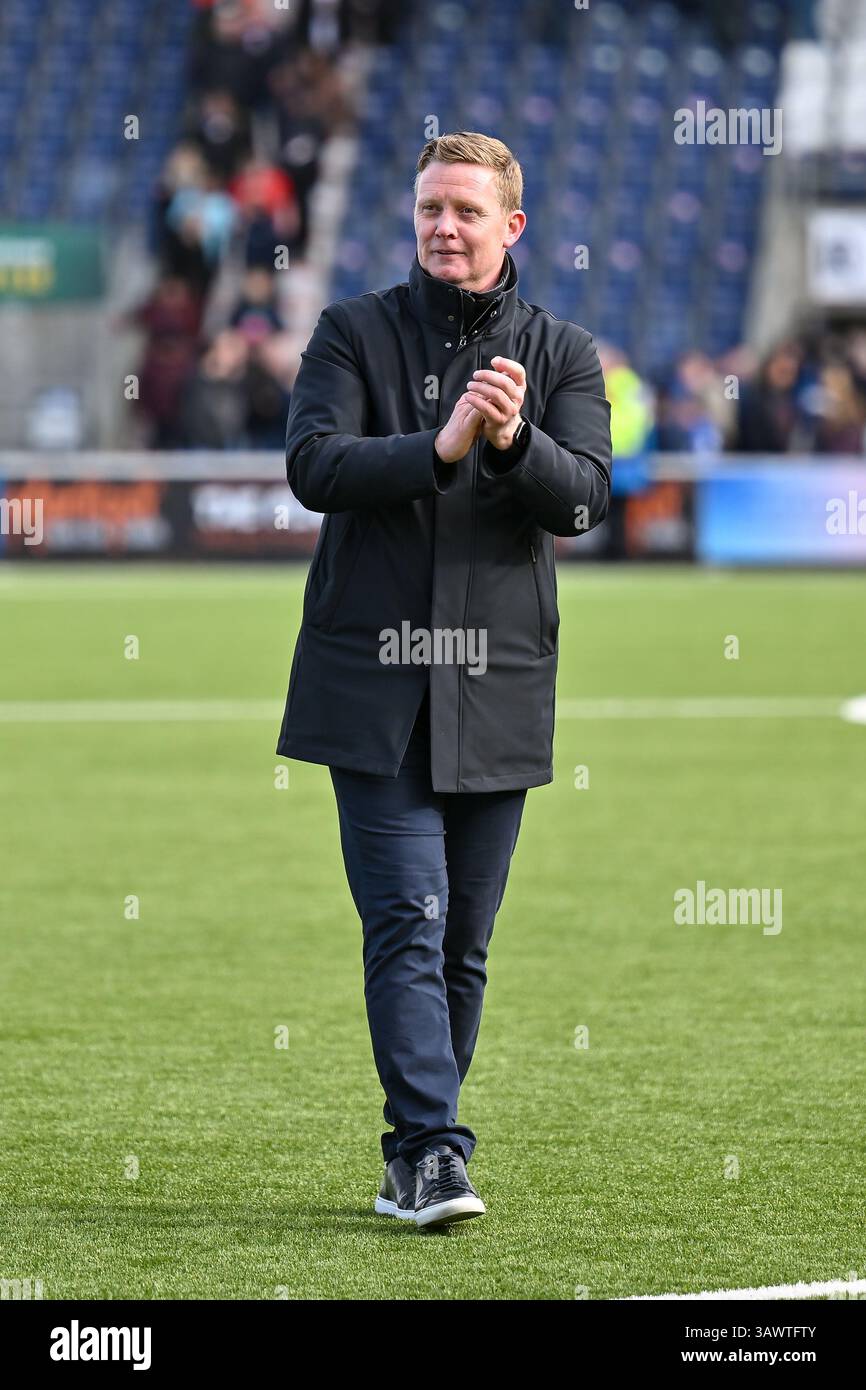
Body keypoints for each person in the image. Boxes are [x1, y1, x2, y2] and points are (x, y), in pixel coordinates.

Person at [276, 132, 612, 1229]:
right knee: (406, 926)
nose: (443, 228)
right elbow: (313, 466)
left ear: (510, 225)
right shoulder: (349, 330)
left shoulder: (560, 352)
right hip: (369, 690)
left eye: (465, 210)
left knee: (461, 942)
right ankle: (431, 1149)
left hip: (497, 687)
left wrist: (512, 442)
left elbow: (583, 499)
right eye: (429, 208)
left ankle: (413, 1156)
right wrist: (440, 441)